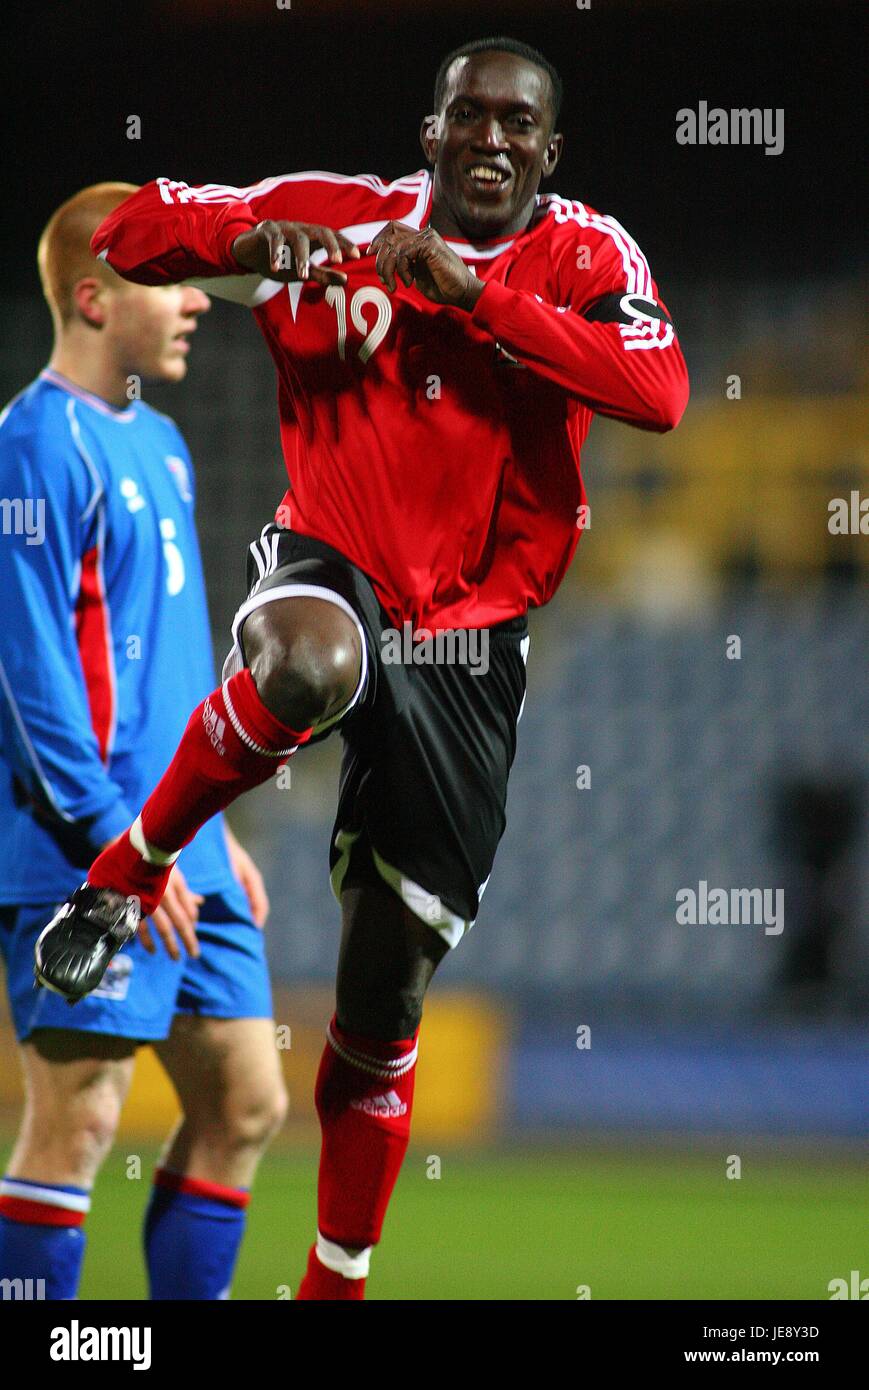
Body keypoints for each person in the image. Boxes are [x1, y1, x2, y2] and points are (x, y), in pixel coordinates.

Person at [39, 37, 689, 1300]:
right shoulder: (340, 217)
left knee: (382, 1011)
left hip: (469, 650)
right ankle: (125, 875)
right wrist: (250, 248)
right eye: (468, 118)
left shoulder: (586, 257)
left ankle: (333, 1283)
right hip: (328, 567)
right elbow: (129, 231)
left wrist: (471, 295)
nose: (490, 140)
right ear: (429, 133)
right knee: (308, 658)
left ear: (549, 153)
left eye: (517, 124)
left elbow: (657, 392)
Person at [0, 184, 286, 1301]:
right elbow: (29, 680)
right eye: (168, 275)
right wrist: (126, 841)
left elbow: (167, 662)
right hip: (95, 850)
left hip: (185, 848)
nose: (197, 302)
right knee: (77, 1124)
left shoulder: (161, 444)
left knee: (248, 1103)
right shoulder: (31, 444)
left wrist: (209, 834)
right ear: (90, 295)